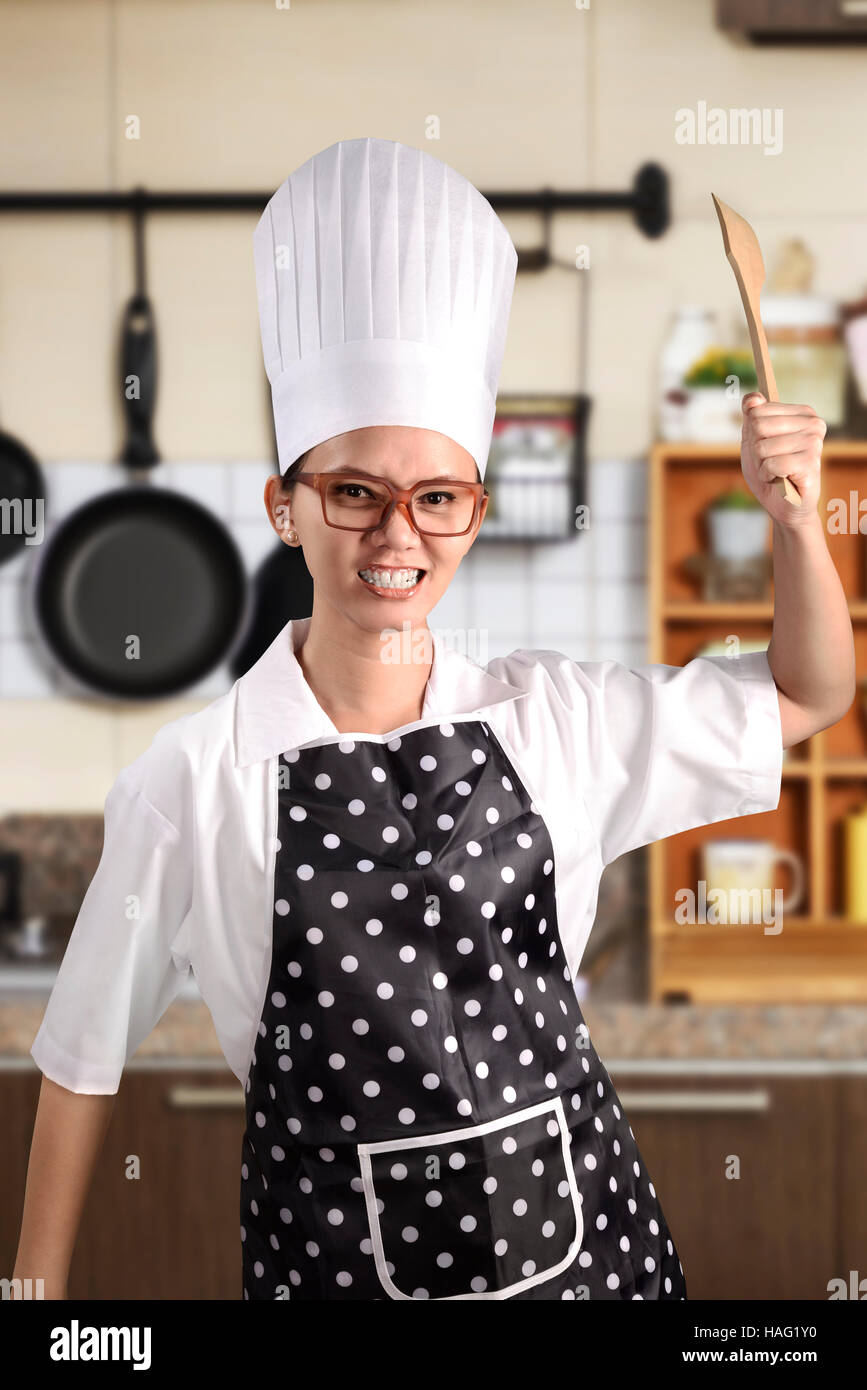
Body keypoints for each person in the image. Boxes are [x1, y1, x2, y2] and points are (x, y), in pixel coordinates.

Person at [15, 138, 854, 1302]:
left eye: (438, 497)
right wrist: (33, 1301)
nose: (398, 535)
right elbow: (81, 1055)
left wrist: (798, 522)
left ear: (474, 510)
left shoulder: (555, 717)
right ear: (286, 506)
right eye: (355, 492)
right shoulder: (195, 778)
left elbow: (808, 693)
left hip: (594, 1270)